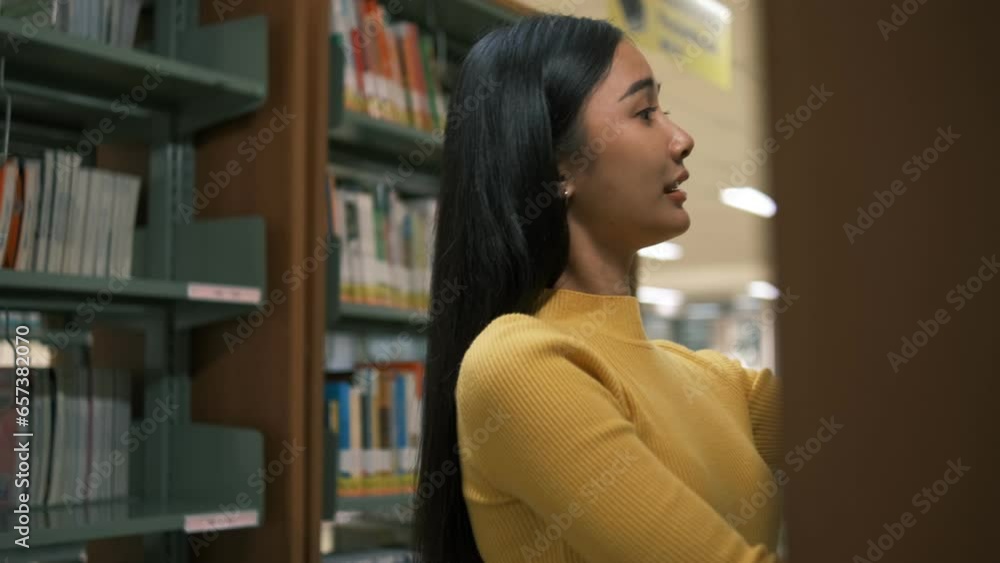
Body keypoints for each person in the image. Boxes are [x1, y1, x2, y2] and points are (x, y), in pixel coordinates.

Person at [413, 14, 783, 563]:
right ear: (559, 165)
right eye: (644, 112)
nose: (682, 139)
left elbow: (886, 428)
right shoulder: (520, 364)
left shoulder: (716, 382)